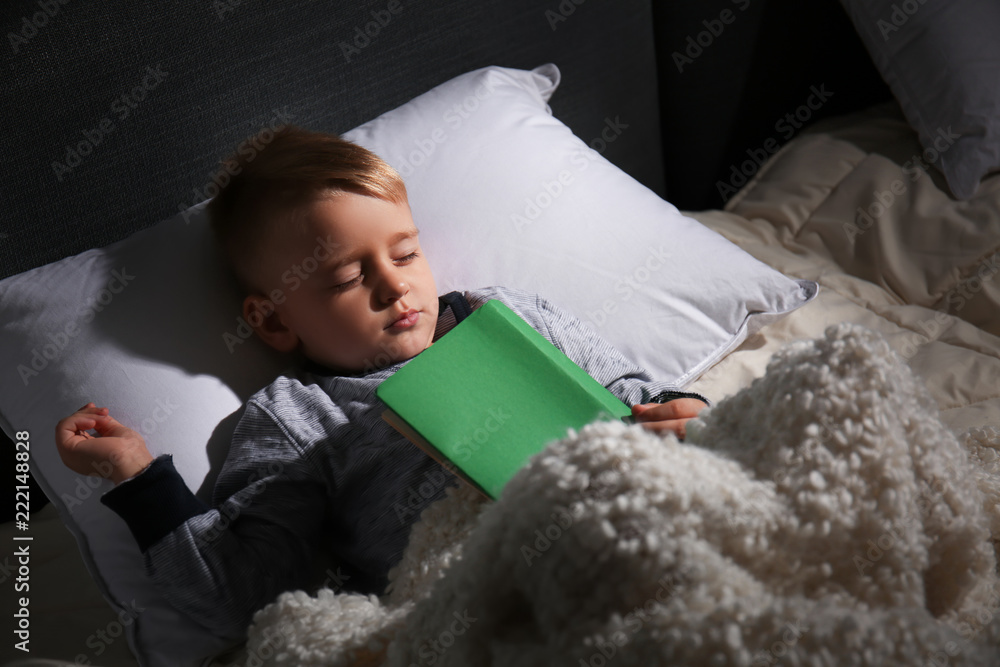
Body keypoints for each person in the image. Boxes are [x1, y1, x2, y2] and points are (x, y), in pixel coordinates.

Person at [55, 126, 708, 641]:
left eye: (405, 253)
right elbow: (236, 598)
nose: (396, 285)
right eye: (345, 277)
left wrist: (688, 414)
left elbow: (637, 389)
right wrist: (140, 478)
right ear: (275, 320)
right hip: (491, 589)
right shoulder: (297, 417)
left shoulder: (504, 314)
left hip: (636, 512)